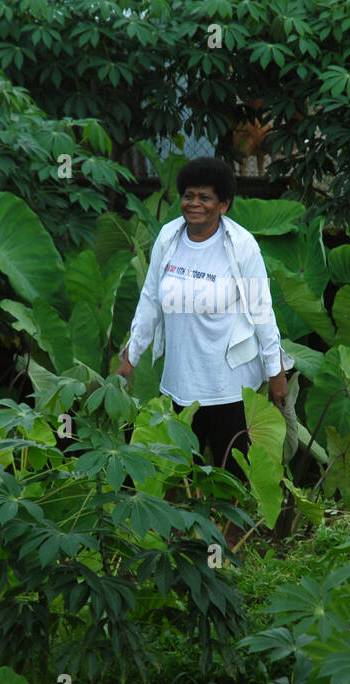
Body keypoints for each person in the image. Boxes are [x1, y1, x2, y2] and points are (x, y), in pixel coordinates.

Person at [114, 157, 292, 481]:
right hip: (179, 384)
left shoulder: (242, 246)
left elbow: (262, 311)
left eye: (205, 197)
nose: (194, 203)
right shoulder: (168, 237)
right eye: (189, 195)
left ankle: (227, 520)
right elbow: (150, 299)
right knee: (179, 477)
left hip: (228, 387)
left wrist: (275, 372)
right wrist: (130, 357)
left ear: (223, 205)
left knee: (230, 479)